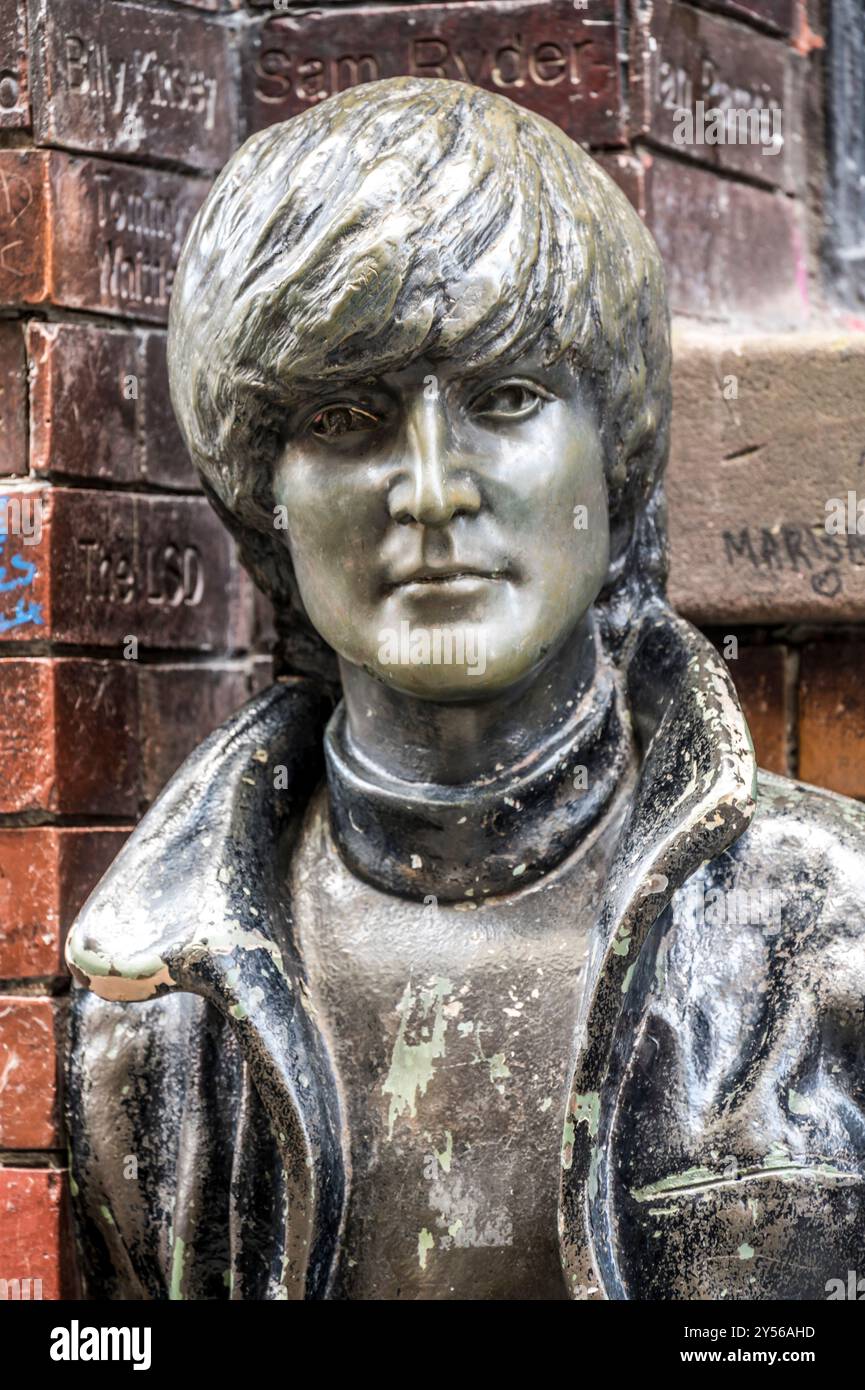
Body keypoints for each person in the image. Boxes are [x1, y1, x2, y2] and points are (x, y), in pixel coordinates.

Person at [66, 77, 865, 1301]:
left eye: (505, 399)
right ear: (262, 492)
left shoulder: (830, 927)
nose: (433, 487)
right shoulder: (154, 1006)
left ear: (615, 447)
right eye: (345, 416)